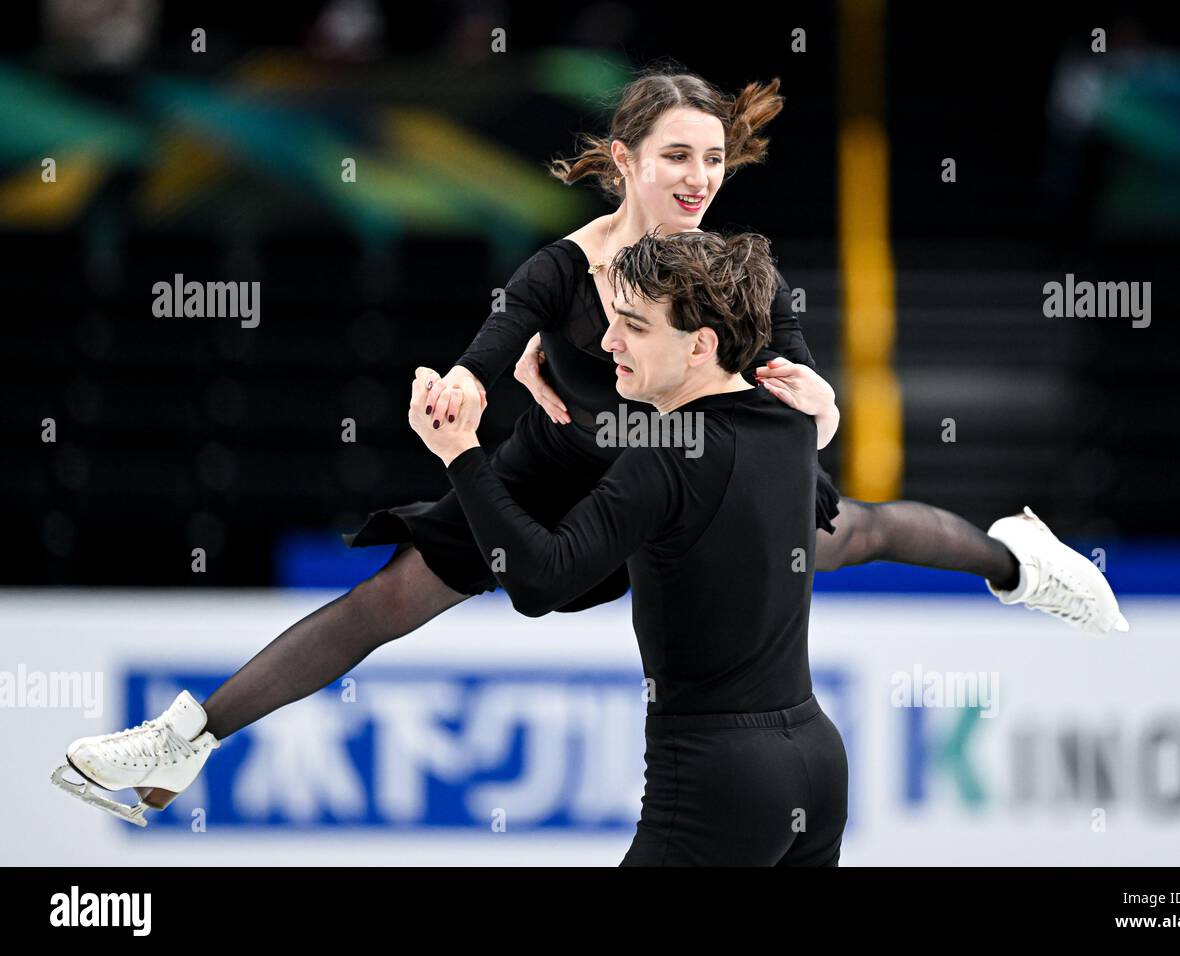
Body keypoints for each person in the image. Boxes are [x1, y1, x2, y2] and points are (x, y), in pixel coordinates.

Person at [51, 67, 1125, 830]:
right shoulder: (561, 268)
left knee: (864, 527)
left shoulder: (732, 272)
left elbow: (802, 403)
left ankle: (1018, 559)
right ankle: (179, 742)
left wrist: (824, 407)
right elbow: (481, 358)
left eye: (713, 157)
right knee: (389, 596)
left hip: (689, 484)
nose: (700, 176)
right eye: (676, 157)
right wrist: (456, 393)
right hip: (568, 481)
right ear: (624, 161)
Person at [413, 229, 845, 864]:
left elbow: (542, 581)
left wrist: (461, 455)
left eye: (635, 328)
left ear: (701, 345)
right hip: (815, 760)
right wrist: (827, 407)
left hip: (718, 777)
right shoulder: (790, 420)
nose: (608, 342)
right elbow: (810, 421)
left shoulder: (667, 456)